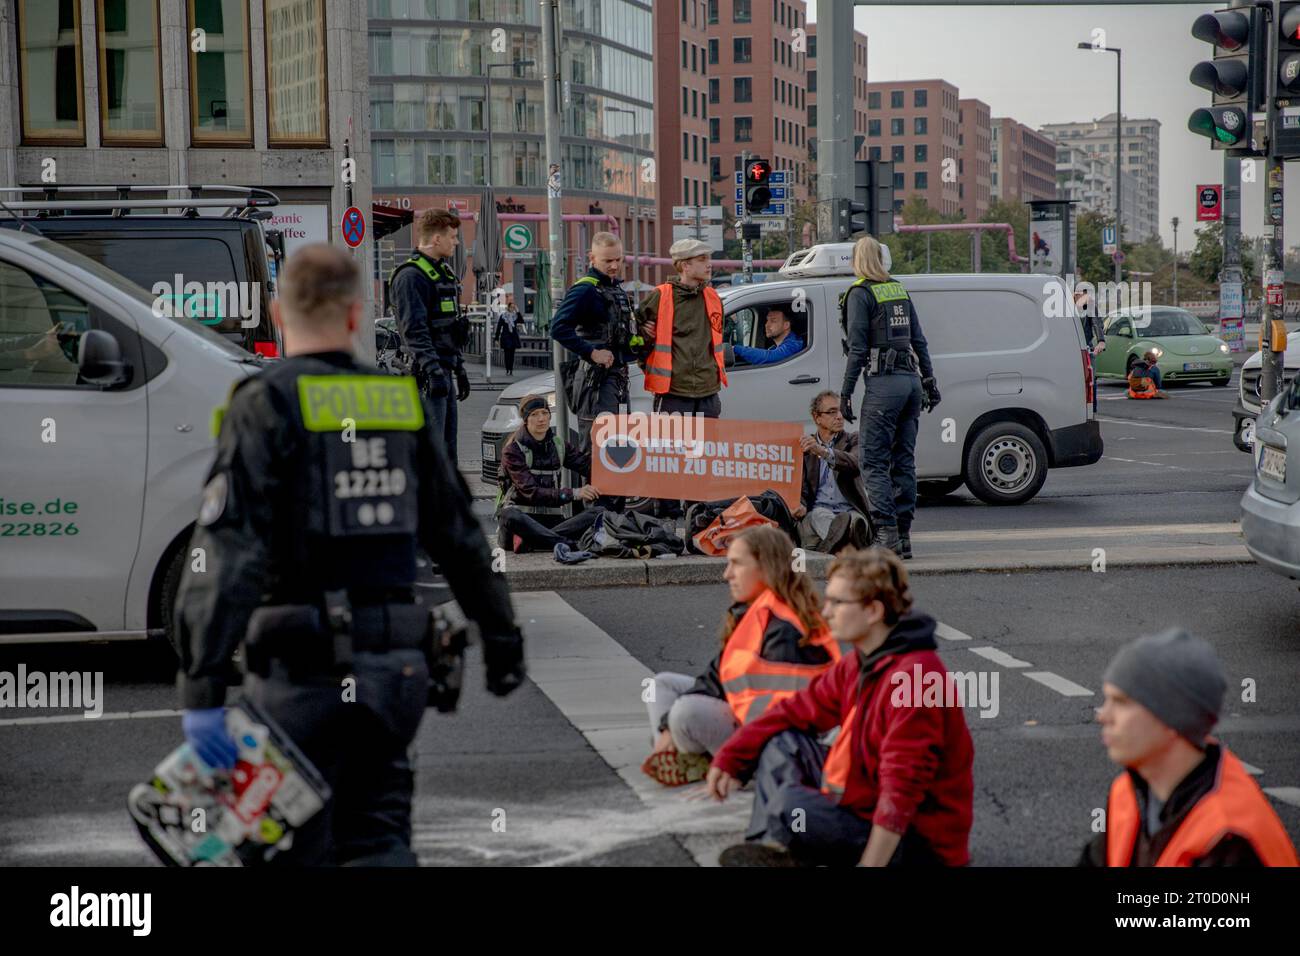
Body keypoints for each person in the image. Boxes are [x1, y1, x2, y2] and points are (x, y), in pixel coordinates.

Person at [174, 243, 525, 866]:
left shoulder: (266, 402)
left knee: (287, 848)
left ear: (279, 314)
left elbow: (230, 553)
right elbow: (460, 536)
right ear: (357, 316)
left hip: (298, 671)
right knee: (379, 839)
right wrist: (501, 640)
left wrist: (202, 682)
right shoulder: (396, 402)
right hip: (394, 673)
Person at [707, 547, 974, 867]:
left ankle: (788, 848)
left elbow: (902, 788)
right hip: (865, 802)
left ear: (873, 611)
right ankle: (775, 849)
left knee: (793, 805)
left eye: (837, 602)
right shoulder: (859, 663)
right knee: (782, 742)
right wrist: (731, 756)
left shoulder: (916, 679)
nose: (826, 611)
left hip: (919, 845)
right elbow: (792, 711)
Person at [1080, 629, 1298, 867]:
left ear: (1171, 719)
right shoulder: (1131, 794)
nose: (1103, 715)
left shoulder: (1229, 841)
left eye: (1121, 702)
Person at [643, 526, 840, 786]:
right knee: (661, 685)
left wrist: (737, 761)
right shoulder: (758, 609)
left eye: (736, 564)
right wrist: (666, 727)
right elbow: (715, 675)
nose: (727, 574)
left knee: (685, 712)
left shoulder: (784, 629)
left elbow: (781, 718)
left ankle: (691, 755)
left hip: (768, 742)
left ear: (765, 567)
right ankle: (678, 752)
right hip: (745, 718)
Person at [839, 235, 940, 559]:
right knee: (903, 460)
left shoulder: (860, 292)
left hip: (883, 386)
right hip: (910, 382)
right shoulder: (897, 289)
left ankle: (886, 533)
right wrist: (929, 380)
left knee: (873, 461)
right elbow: (919, 340)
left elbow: (857, 348)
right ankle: (904, 536)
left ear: (857, 260)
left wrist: (846, 392)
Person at [551, 232, 641, 461]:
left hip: (617, 379)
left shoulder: (616, 289)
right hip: (595, 382)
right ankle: (593, 498)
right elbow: (558, 328)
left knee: (621, 448)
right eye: (607, 260)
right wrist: (592, 352)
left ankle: (615, 497)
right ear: (592, 258)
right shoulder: (585, 290)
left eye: (618, 260)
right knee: (598, 451)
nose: (614, 266)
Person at [389, 208, 472, 454]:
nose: (456, 242)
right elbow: (414, 331)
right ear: (437, 239)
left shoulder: (443, 273)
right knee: (429, 453)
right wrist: (433, 369)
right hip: (424, 375)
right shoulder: (411, 277)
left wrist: (459, 366)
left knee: (447, 451)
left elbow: (448, 328)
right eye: (453, 237)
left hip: (441, 370)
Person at [496, 394, 603, 556]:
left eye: (545, 413)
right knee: (509, 515)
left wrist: (613, 458)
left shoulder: (559, 445)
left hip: (551, 523)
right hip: (522, 521)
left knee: (600, 512)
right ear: (525, 419)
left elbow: (588, 467)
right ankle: (565, 543)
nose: (541, 419)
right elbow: (531, 492)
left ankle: (536, 541)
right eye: (534, 414)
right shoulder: (512, 451)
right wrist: (575, 493)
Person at [637, 238, 728, 420]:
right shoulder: (661, 296)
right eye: (702, 260)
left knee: (706, 449)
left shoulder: (713, 297)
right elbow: (634, 336)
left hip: (707, 392)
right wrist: (646, 337)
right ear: (685, 266)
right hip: (673, 393)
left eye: (708, 259)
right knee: (673, 448)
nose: (709, 265)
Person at [794, 391, 871, 554]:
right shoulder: (806, 447)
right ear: (817, 417)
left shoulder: (854, 440)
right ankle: (847, 546)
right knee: (819, 515)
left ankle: (832, 548)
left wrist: (822, 451)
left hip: (850, 510)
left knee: (855, 521)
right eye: (832, 412)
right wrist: (799, 504)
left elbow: (855, 463)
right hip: (819, 512)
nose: (839, 416)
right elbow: (799, 486)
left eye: (841, 410)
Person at [732, 306, 804, 366]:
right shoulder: (775, 347)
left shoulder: (794, 344)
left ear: (786, 325)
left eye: (773, 321)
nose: (767, 325)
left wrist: (735, 349)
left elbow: (771, 358)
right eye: (767, 320)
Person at [494, 301, 522, 376]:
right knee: (507, 354)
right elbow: (499, 328)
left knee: (512, 354)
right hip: (506, 337)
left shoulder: (515, 316)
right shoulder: (503, 316)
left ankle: (511, 369)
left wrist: (518, 311)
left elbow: (521, 321)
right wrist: (496, 339)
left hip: (513, 337)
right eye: (511, 307)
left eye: (514, 307)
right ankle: (507, 370)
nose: (513, 308)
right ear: (508, 307)